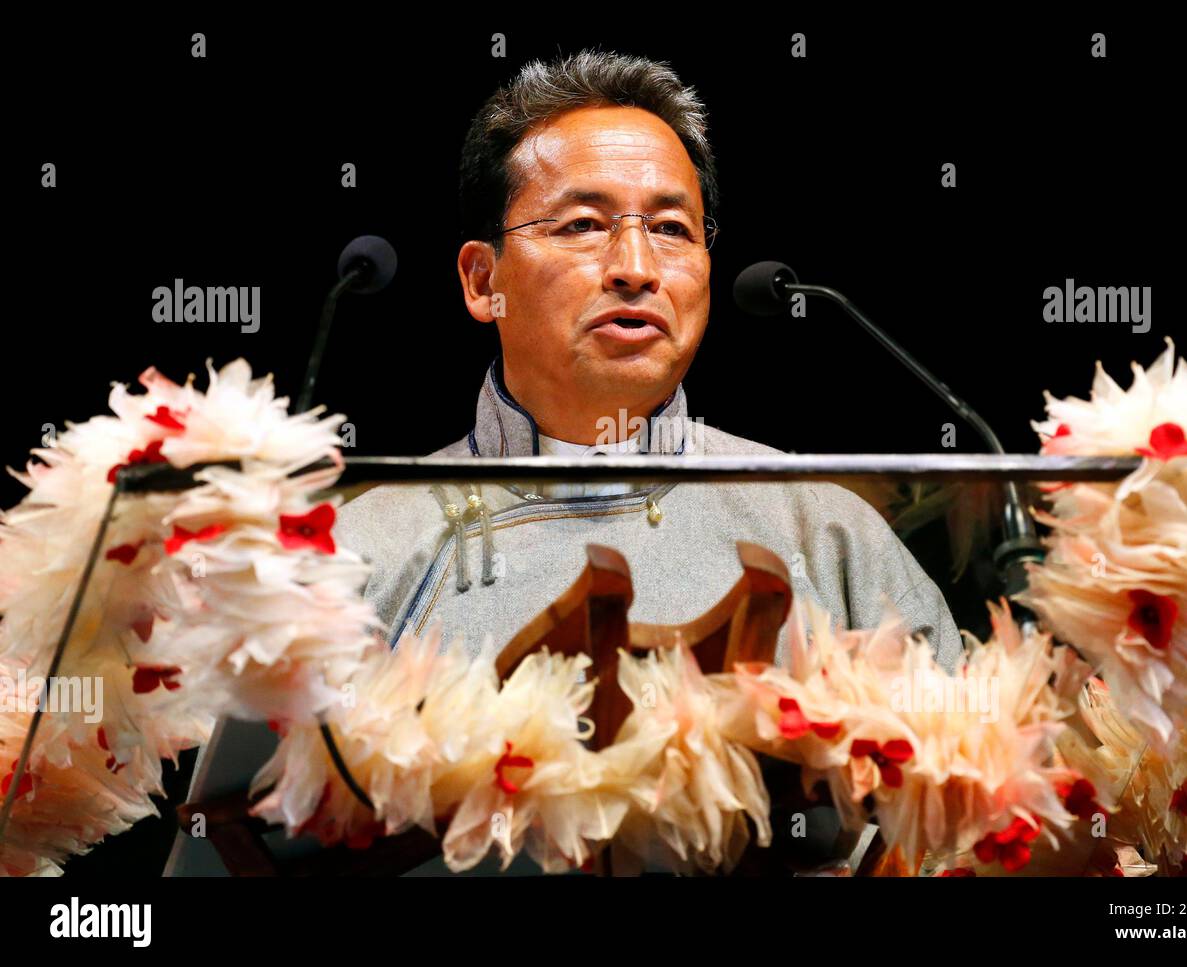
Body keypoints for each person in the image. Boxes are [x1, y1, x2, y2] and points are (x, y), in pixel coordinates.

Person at [336, 50, 962, 672]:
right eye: (583, 224)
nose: (636, 269)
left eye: (670, 228)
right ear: (481, 280)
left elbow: (964, 753)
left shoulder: (821, 528)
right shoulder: (362, 555)